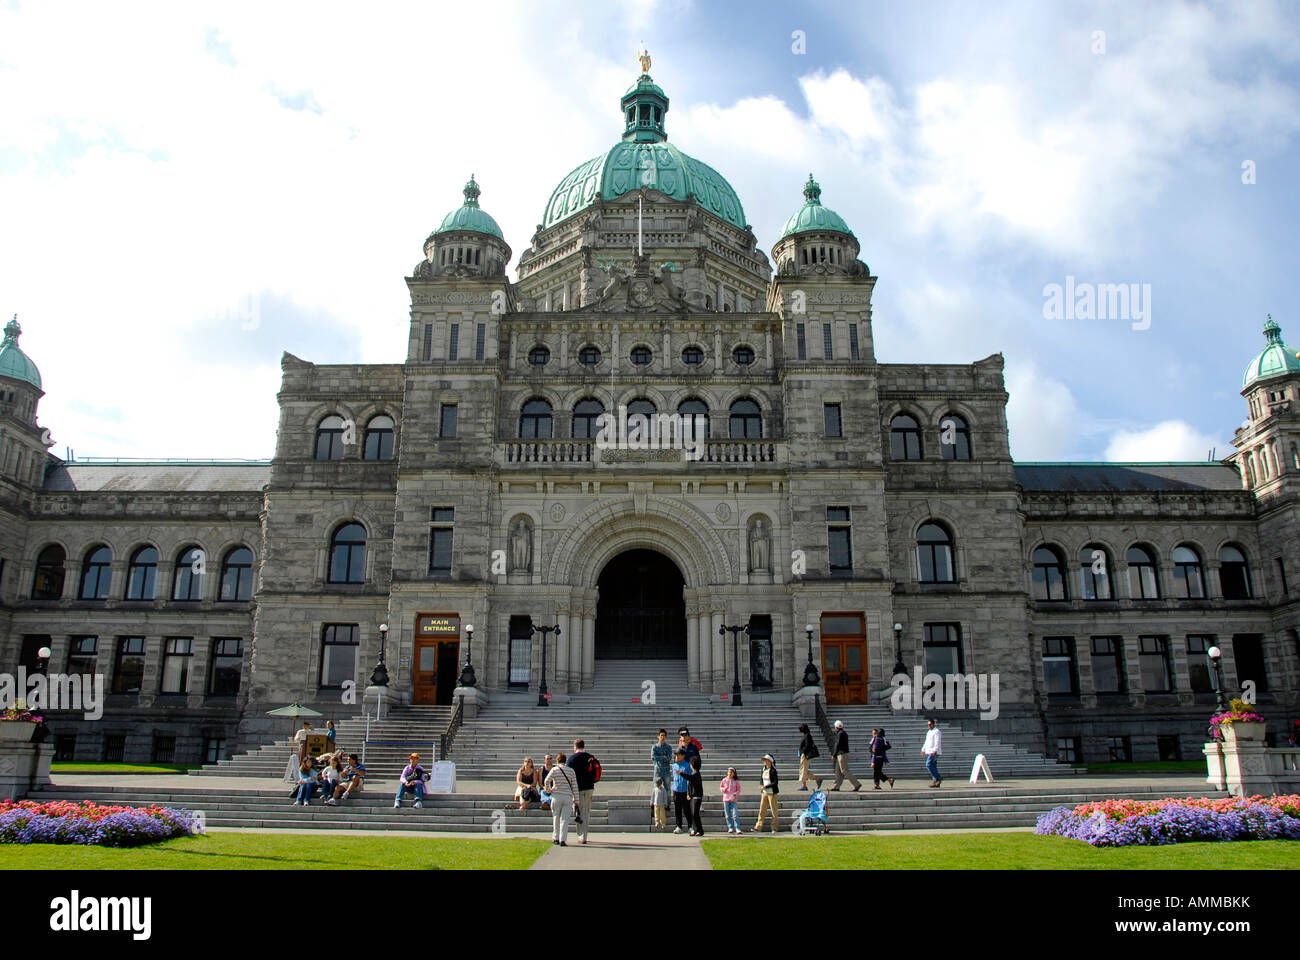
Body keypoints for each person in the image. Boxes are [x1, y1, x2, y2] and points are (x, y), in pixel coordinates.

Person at [568, 738, 599, 844]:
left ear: (575, 747)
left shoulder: (572, 759)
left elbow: (568, 774)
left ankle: (582, 836)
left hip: (578, 789)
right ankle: (585, 834)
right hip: (589, 787)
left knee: (579, 811)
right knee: (586, 811)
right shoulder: (590, 757)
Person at [545, 750, 579, 846]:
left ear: (557, 760)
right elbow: (575, 787)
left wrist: (549, 790)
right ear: (565, 761)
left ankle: (555, 837)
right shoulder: (571, 771)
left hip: (556, 795)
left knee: (556, 817)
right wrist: (576, 800)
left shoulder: (554, 770)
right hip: (567, 796)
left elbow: (547, 780)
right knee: (565, 819)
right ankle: (563, 839)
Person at [830, 720, 862, 791]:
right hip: (843, 753)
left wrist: (834, 755)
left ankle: (856, 784)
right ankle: (836, 786)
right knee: (838, 771)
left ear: (836, 727)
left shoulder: (839, 734)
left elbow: (837, 745)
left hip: (842, 754)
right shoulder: (844, 733)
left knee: (844, 770)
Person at [754, 754, 779, 832]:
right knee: (762, 810)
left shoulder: (773, 770)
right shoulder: (763, 769)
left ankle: (774, 827)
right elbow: (761, 779)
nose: (765, 762)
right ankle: (758, 826)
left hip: (772, 793)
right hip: (764, 793)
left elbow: (775, 782)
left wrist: (766, 786)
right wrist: (761, 785)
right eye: (765, 761)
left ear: (770, 761)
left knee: (773, 810)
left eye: (766, 760)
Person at [797, 723, 823, 791]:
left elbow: (808, 746)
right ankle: (817, 779)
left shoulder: (807, 736)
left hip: (805, 755)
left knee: (803, 770)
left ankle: (804, 785)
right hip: (804, 755)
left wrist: (803, 752)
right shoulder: (806, 735)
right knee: (805, 770)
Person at [671, 748, 691, 834]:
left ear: (683, 756)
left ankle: (690, 826)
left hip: (685, 790)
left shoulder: (687, 765)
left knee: (686, 809)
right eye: (676, 755)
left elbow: (690, 778)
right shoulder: (674, 765)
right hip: (676, 790)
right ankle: (679, 826)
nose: (677, 757)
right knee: (677, 809)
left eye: (679, 755)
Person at [685, 755, 705, 836]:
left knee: (695, 814)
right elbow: (690, 786)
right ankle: (695, 829)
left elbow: (689, 778)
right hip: (693, 797)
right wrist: (689, 794)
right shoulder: (694, 773)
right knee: (693, 814)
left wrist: (680, 773)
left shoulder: (696, 774)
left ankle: (700, 830)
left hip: (697, 797)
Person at [719, 766, 742, 835]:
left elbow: (739, 789)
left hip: (733, 799)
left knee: (735, 814)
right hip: (726, 799)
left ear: (734, 774)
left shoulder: (736, 781)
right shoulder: (724, 780)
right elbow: (721, 787)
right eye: (729, 772)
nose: (730, 774)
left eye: (731, 772)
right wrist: (724, 789)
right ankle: (730, 827)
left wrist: (735, 794)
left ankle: (737, 827)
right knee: (727, 814)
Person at [922, 719, 943, 787]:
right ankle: (935, 782)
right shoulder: (929, 732)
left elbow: (937, 741)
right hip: (929, 750)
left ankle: (938, 777)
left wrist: (935, 749)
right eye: (928, 725)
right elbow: (926, 742)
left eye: (930, 724)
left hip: (934, 751)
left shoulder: (937, 731)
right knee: (933, 766)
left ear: (933, 724)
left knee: (928, 764)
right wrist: (923, 749)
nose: (929, 726)